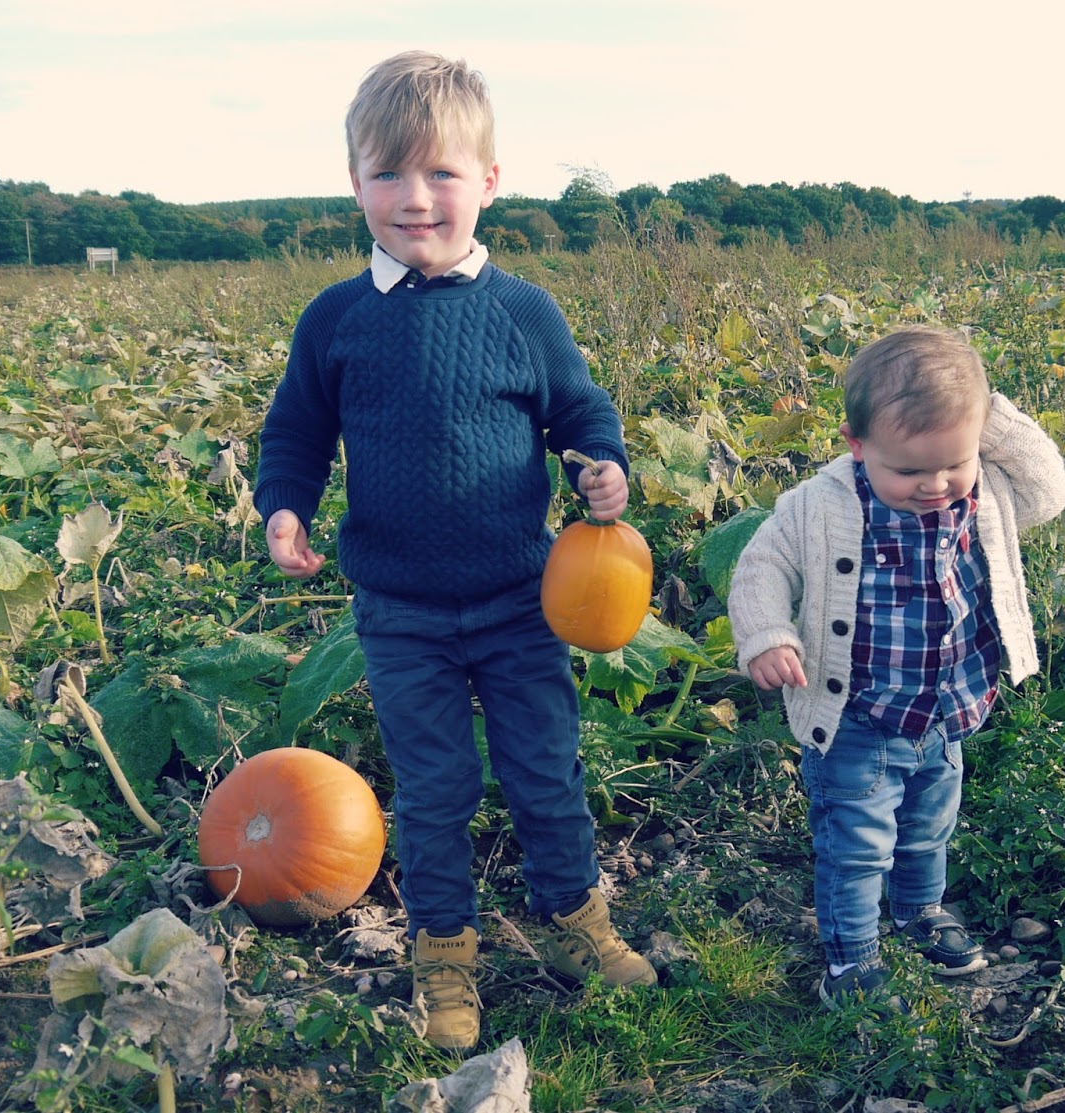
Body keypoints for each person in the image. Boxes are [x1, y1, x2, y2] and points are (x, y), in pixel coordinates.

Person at [252, 49, 656, 1050]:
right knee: (433, 787)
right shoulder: (335, 320)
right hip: (401, 611)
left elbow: (577, 410)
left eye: (440, 173)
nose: (414, 197)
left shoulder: (523, 311)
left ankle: (572, 912)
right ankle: (443, 947)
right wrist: (284, 506)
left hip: (522, 599)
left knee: (544, 768)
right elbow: (295, 433)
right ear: (354, 183)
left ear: (488, 181)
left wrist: (599, 465)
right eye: (387, 174)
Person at [727, 325, 1065, 1010]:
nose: (934, 485)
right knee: (856, 845)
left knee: (927, 828)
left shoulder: (988, 490)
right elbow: (762, 566)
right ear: (857, 447)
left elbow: (1050, 487)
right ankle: (850, 960)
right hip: (859, 719)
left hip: (946, 711)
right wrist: (767, 633)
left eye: (953, 462)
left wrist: (985, 412)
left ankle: (919, 914)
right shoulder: (818, 504)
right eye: (909, 471)